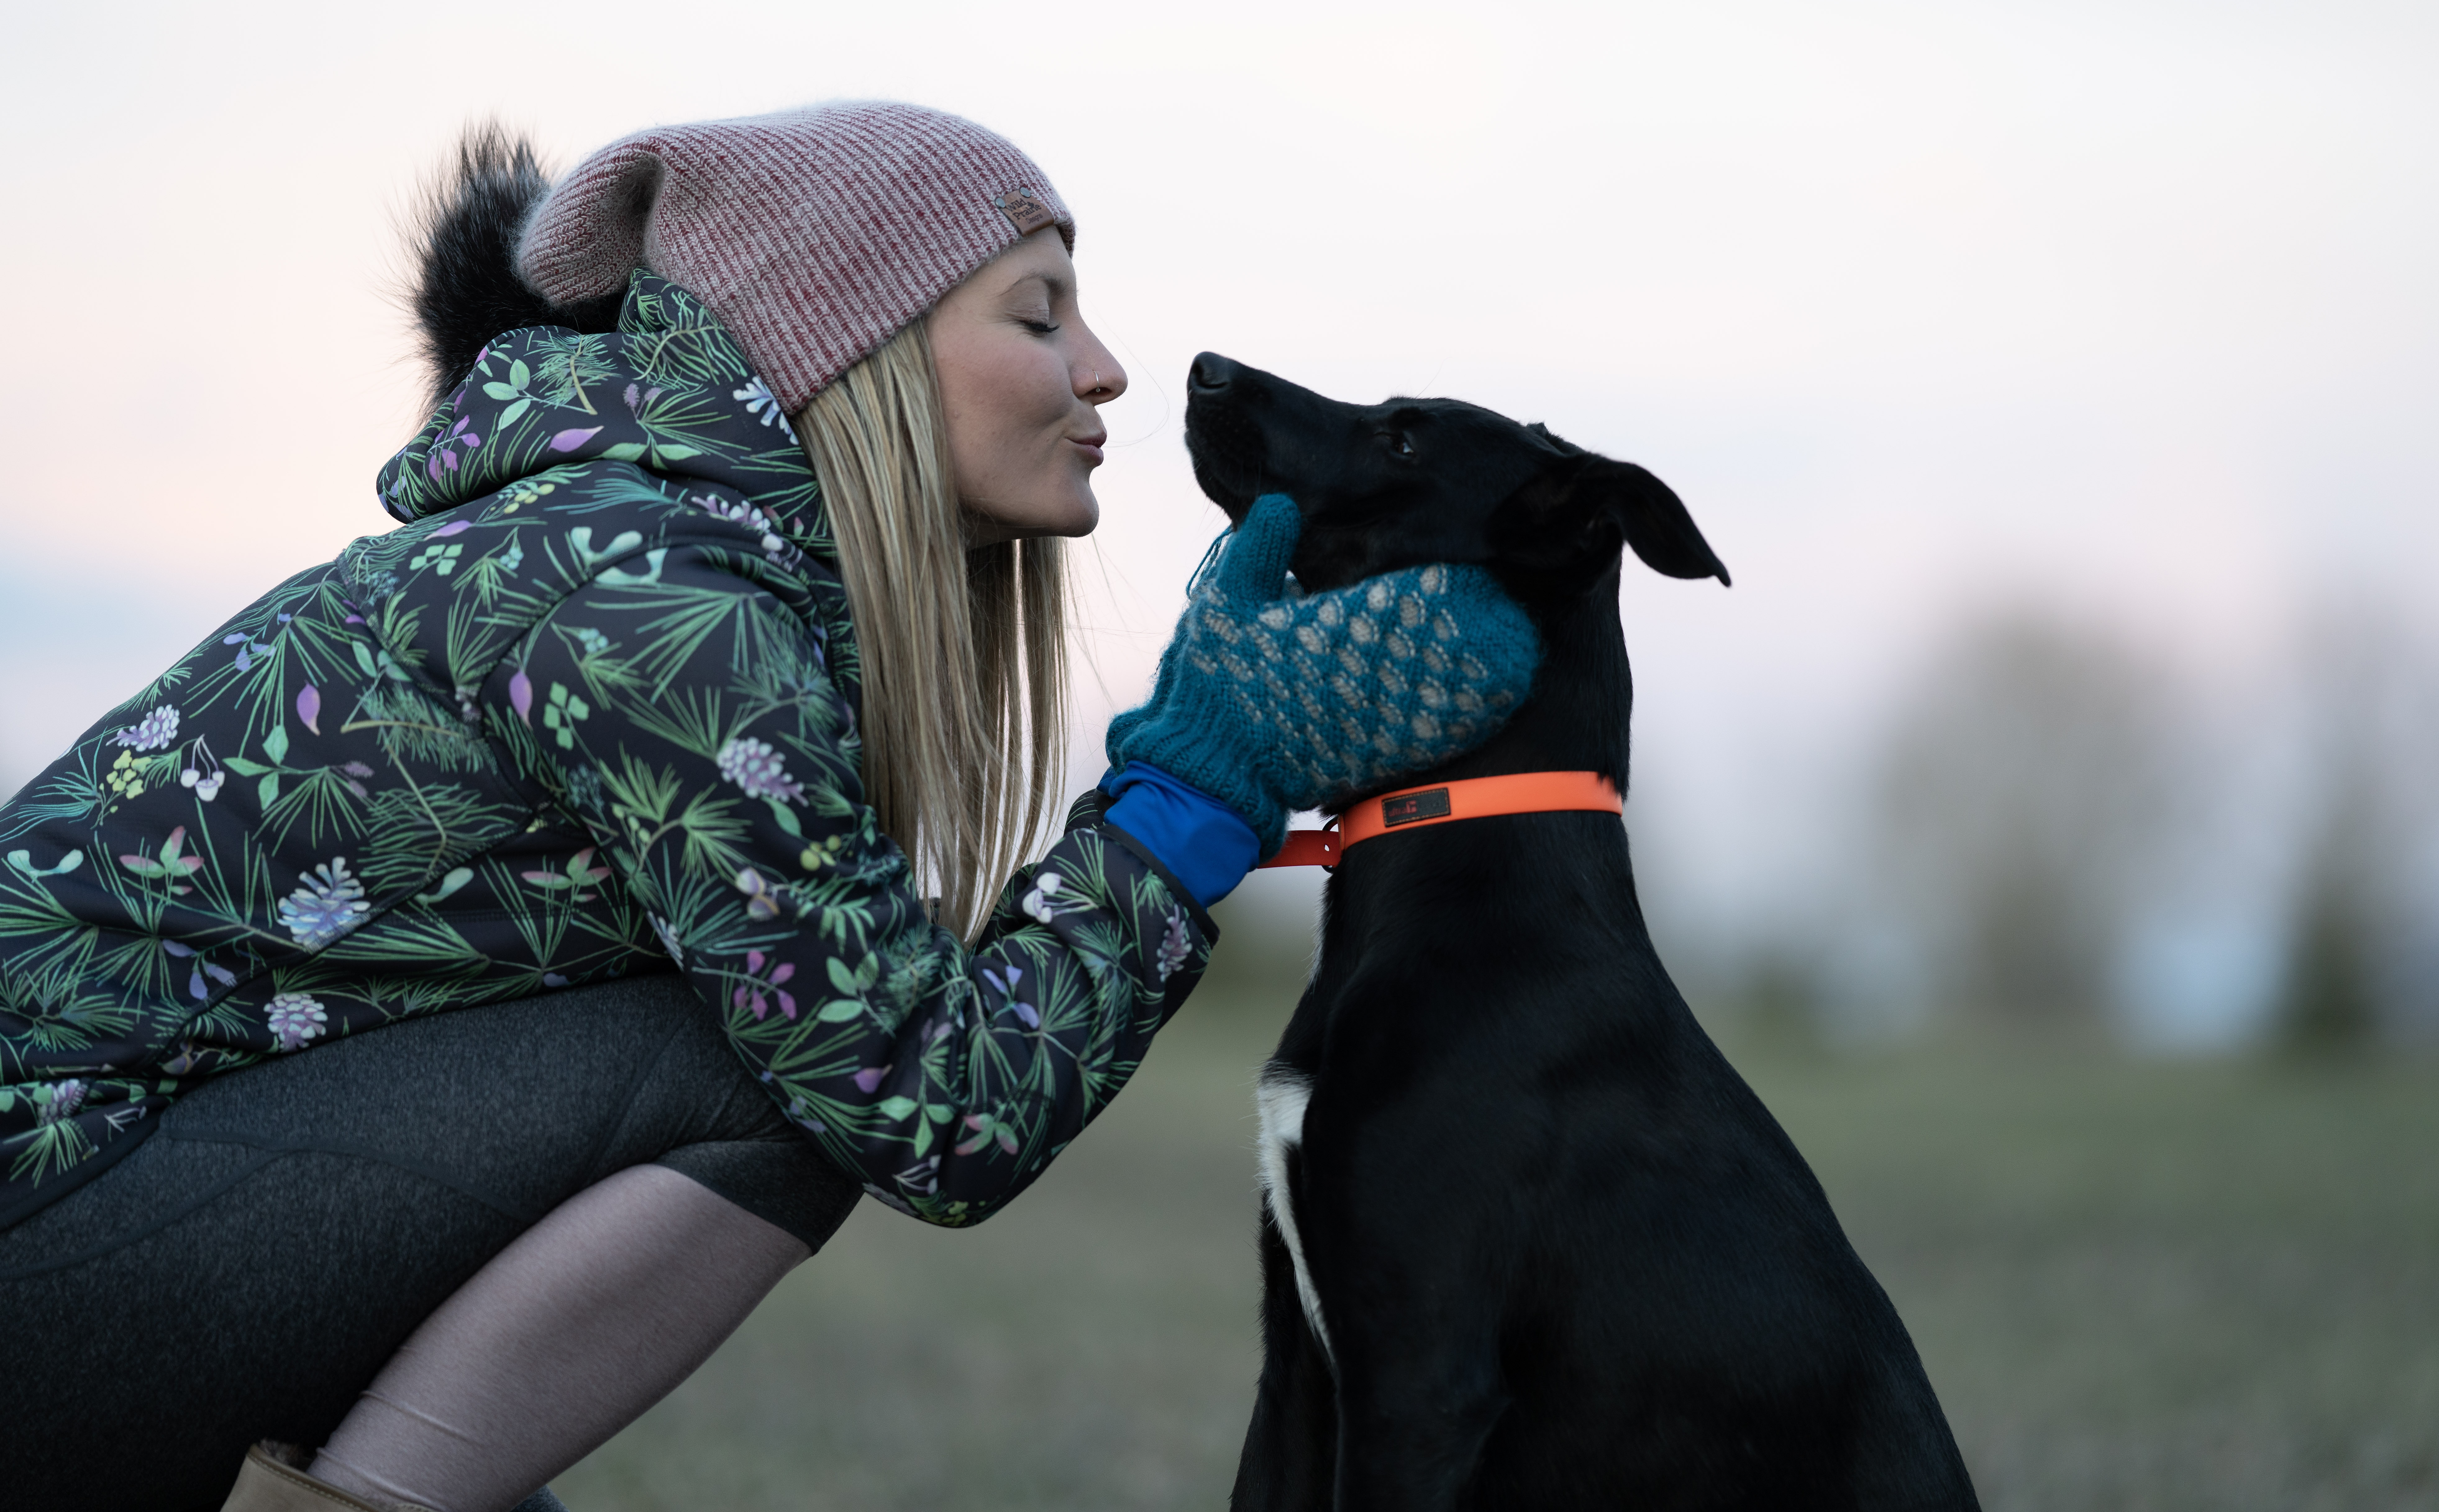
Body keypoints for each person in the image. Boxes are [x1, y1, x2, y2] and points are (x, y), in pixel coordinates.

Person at [0, 103, 1541, 1512]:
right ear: (849, 347)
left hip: (93, 1242)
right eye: (1037, 313)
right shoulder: (651, 605)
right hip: (44, 1260)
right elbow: (935, 1106)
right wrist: (1199, 791)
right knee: (765, 1072)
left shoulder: (648, 555)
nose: (1103, 370)